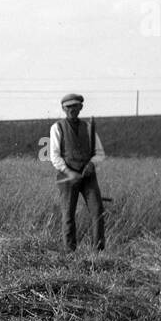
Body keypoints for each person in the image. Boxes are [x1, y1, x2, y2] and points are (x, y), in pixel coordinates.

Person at [49, 93, 106, 252]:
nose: (72, 110)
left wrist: (91, 164)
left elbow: (100, 153)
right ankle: (70, 254)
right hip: (67, 178)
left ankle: (98, 253)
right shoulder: (57, 127)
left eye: (75, 106)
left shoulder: (88, 127)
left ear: (81, 107)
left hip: (88, 176)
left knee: (98, 212)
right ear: (63, 108)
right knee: (68, 216)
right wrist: (68, 171)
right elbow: (54, 156)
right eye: (68, 107)